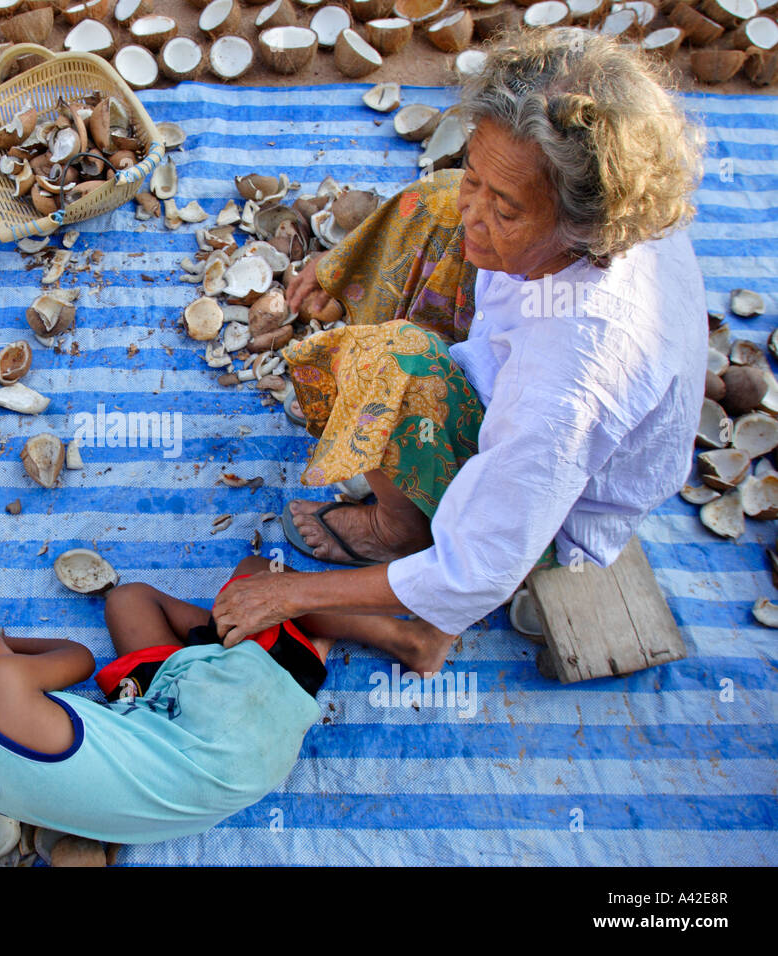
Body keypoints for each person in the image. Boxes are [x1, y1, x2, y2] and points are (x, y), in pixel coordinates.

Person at [214, 28, 707, 675]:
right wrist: (347, 258)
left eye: (504, 210)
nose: (479, 216)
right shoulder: (579, 214)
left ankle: (404, 542)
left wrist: (288, 594)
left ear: (583, 227)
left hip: (555, 518)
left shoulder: (572, 378)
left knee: (384, 362)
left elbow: (480, 568)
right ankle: (399, 293)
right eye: (479, 172)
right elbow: (472, 200)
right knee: (434, 201)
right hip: (523, 375)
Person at [0, 525, 338, 843]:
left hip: (195, 767)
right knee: (254, 573)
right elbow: (80, 659)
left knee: (127, 603)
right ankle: (378, 640)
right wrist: (3, 647)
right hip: (232, 736)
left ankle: (247, 645)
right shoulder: (0, 680)